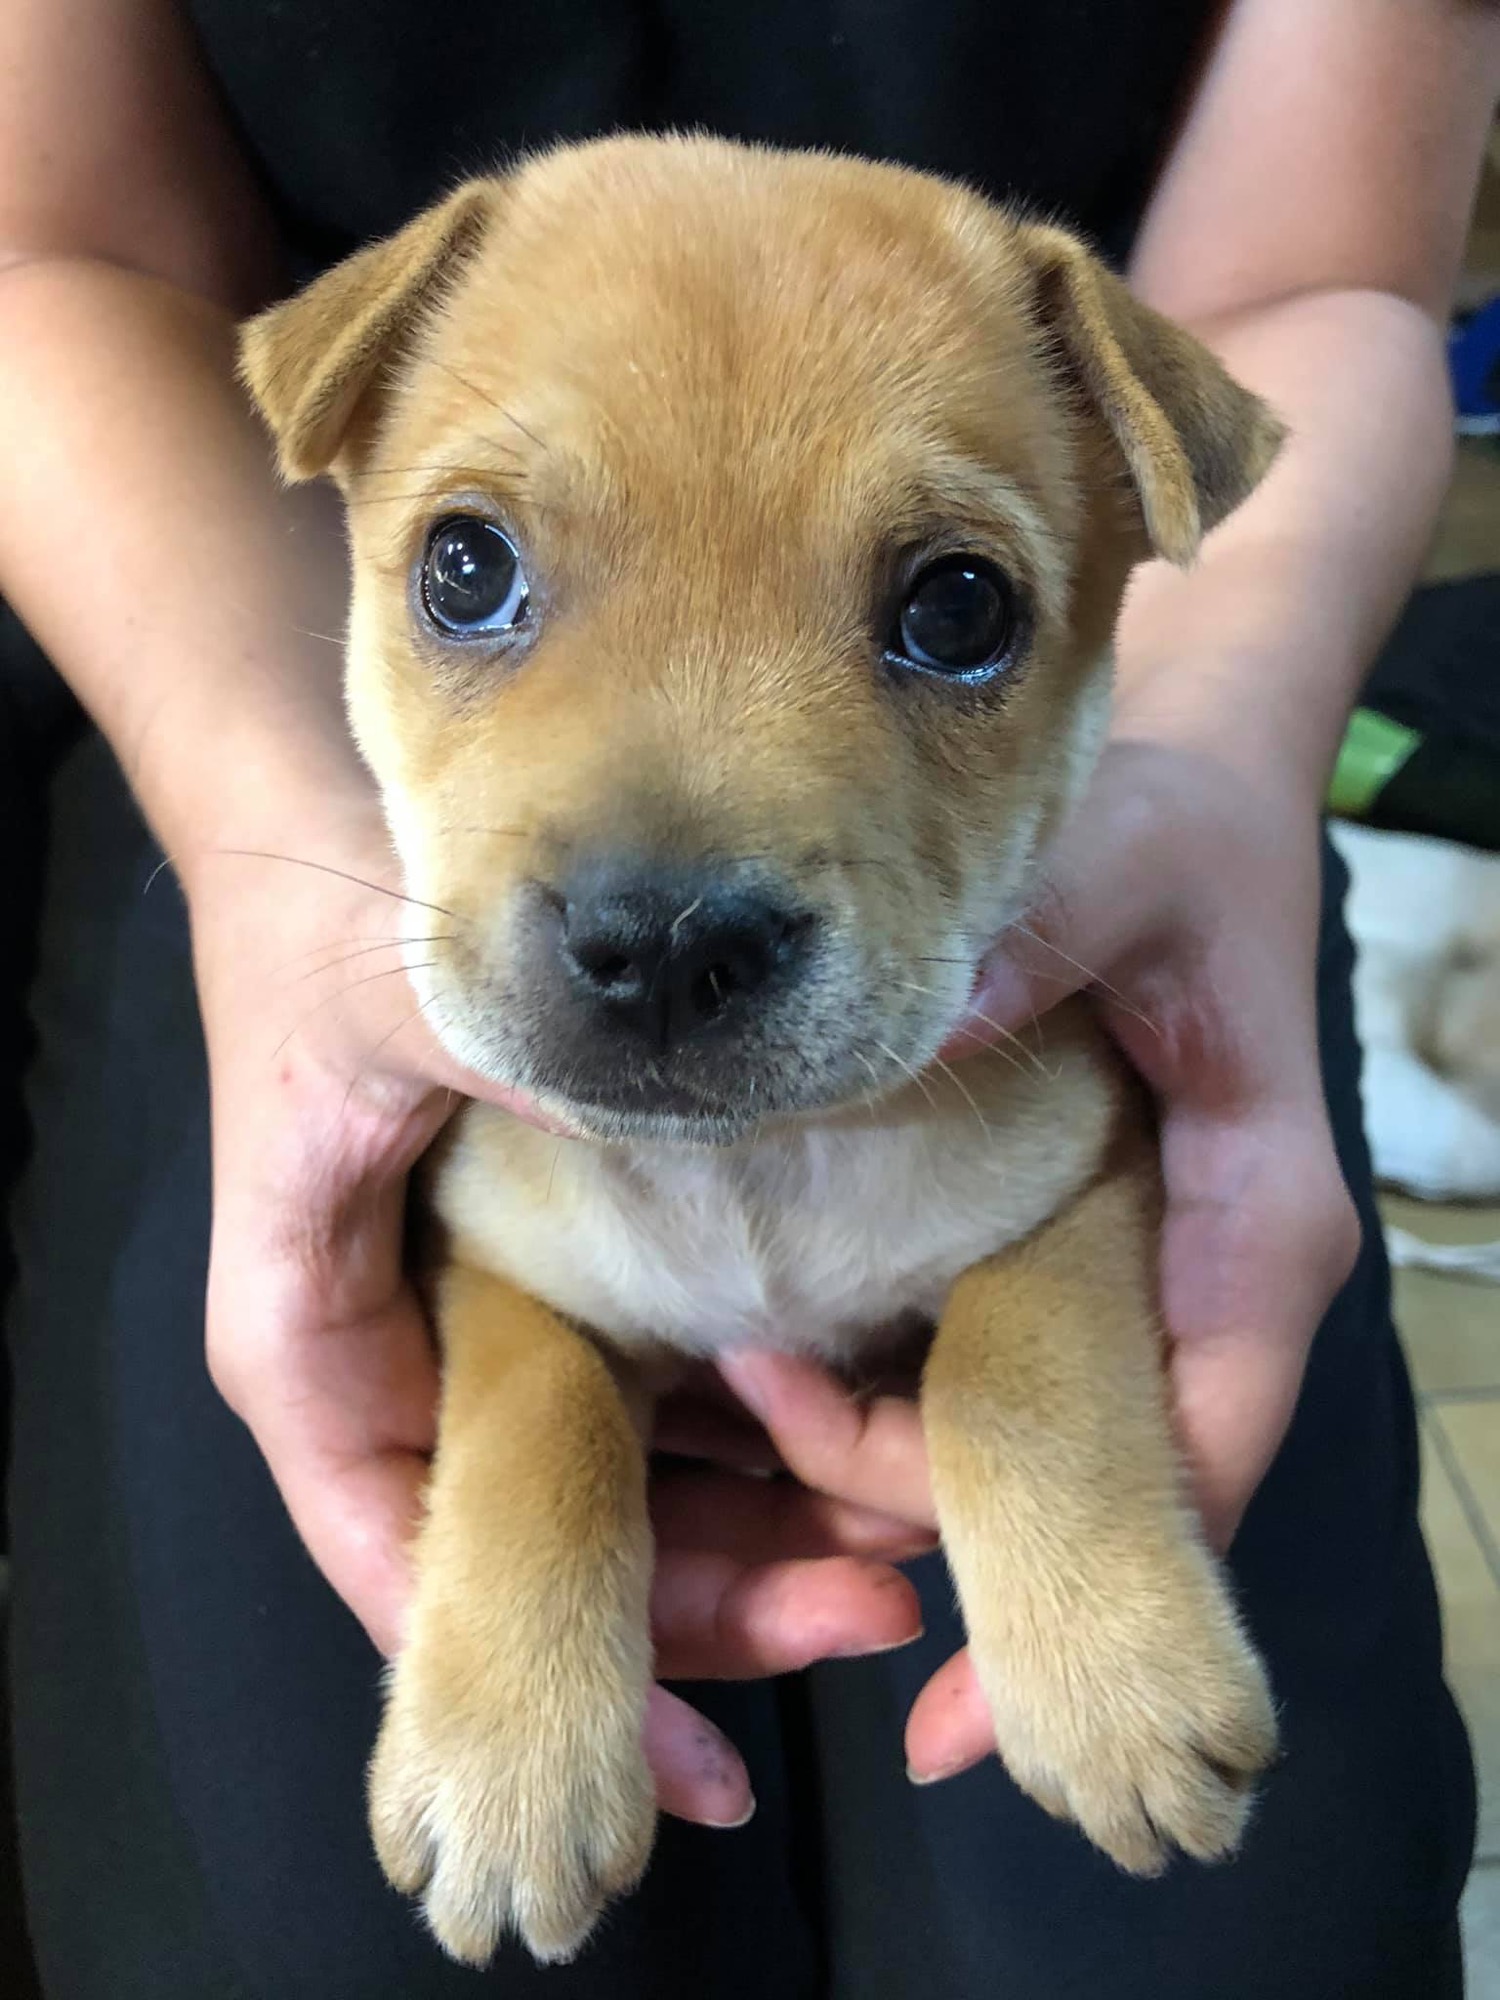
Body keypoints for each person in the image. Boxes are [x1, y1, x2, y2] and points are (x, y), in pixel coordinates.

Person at [1, 2, 1496, 1994]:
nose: (665, 906)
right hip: (246, 703)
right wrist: (259, 835)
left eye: (950, 605)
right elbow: (60, 251)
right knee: (298, 1929)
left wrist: (1224, 771)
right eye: (476, 574)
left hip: (1102, 837)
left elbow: (1324, 280)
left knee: (1235, 1933)